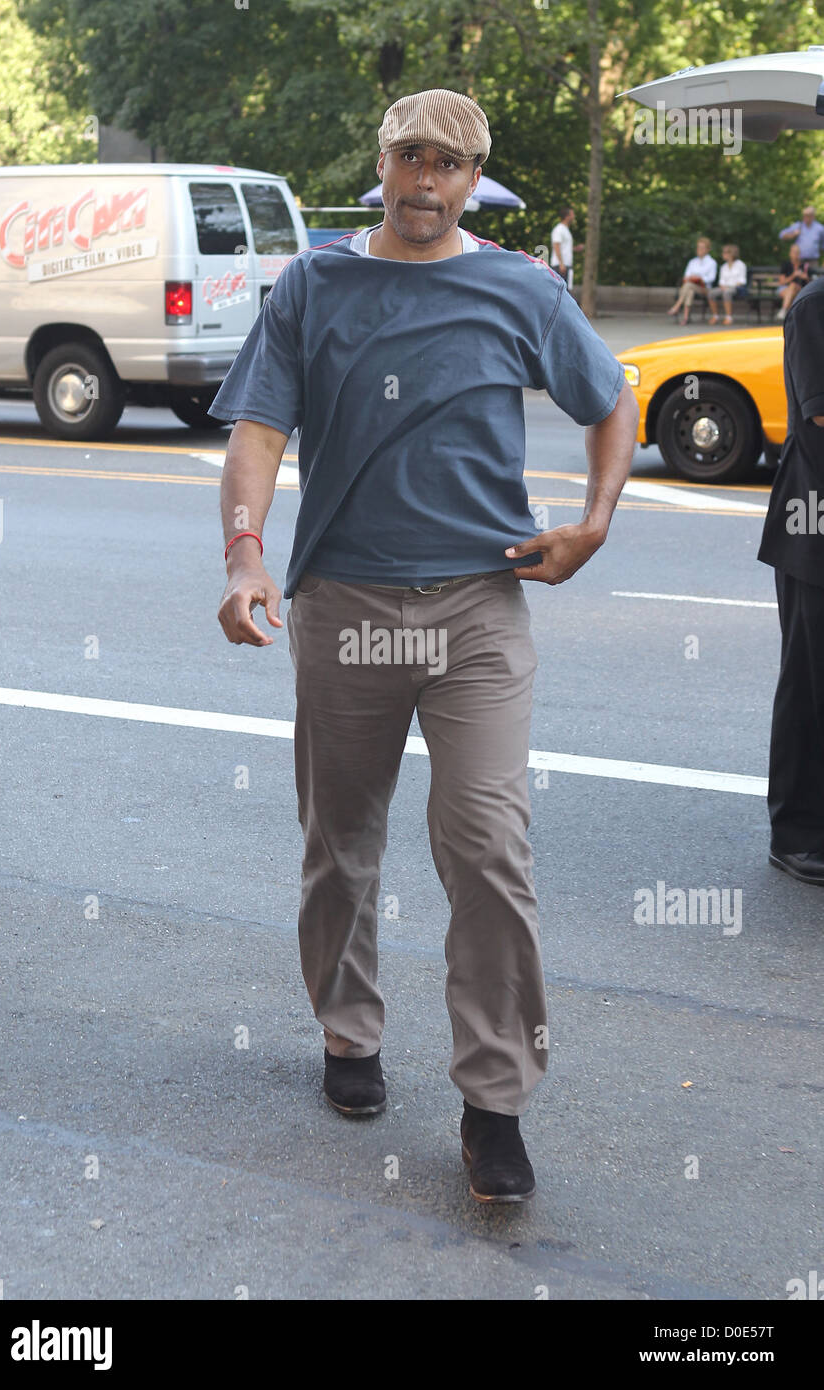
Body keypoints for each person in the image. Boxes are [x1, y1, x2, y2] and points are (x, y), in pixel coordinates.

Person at [212, 88, 639, 1204]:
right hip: (343, 600)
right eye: (408, 154)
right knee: (340, 840)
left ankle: (492, 1100)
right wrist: (245, 556)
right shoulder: (313, 282)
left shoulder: (518, 286)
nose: (423, 179)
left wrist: (594, 520)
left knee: (489, 846)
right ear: (381, 161)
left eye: (447, 164)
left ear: (472, 180)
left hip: (478, 608)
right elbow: (257, 429)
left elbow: (610, 400)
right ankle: (348, 1032)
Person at [757, 271, 824, 885]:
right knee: (808, 681)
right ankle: (797, 833)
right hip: (812, 529)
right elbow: (819, 417)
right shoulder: (815, 306)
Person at [667, 237, 718, 325]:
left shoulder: (712, 262)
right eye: (698, 247)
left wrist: (699, 278)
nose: (699, 250)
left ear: (707, 249)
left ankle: (677, 306)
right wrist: (691, 278)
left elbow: (711, 278)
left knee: (688, 285)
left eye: (702, 248)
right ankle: (686, 317)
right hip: (691, 286)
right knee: (689, 289)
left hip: (704, 288)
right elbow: (686, 276)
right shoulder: (692, 262)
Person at [708, 244, 747, 326]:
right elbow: (721, 281)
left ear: (731, 254)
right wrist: (722, 286)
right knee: (711, 293)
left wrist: (729, 287)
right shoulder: (723, 267)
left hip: (737, 288)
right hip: (725, 287)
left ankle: (728, 317)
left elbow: (742, 281)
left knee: (727, 292)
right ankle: (715, 316)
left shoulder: (741, 265)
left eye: (725, 253)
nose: (723, 254)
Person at [778, 205, 824, 272]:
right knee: (799, 280)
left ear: (813, 216)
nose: (805, 217)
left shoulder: (820, 228)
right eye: (804, 215)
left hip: (813, 261)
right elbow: (781, 235)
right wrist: (793, 234)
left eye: (808, 215)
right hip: (799, 261)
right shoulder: (798, 226)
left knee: (814, 280)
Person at [548, 206, 584, 288]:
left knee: (566, 290)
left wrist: (575, 249)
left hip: (566, 265)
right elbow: (556, 245)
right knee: (560, 291)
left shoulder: (565, 230)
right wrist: (561, 263)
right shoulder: (559, 229)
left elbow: (563, 247)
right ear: (567, 216)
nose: (574, 216)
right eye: (572, 214)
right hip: (560, 266)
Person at [776, 242, 812, 320]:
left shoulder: (804, 266)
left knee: (794, 286)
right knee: (792, 286)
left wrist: (805, 278)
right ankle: (791, 315)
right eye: (794, 252)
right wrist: (794, 275)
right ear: (790, 253)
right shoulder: (786, 264)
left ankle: (784, 310)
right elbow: (782, 282)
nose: (795, 254)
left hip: (800, 290)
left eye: (797, 252)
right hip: (784, 289)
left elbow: (810, 285)